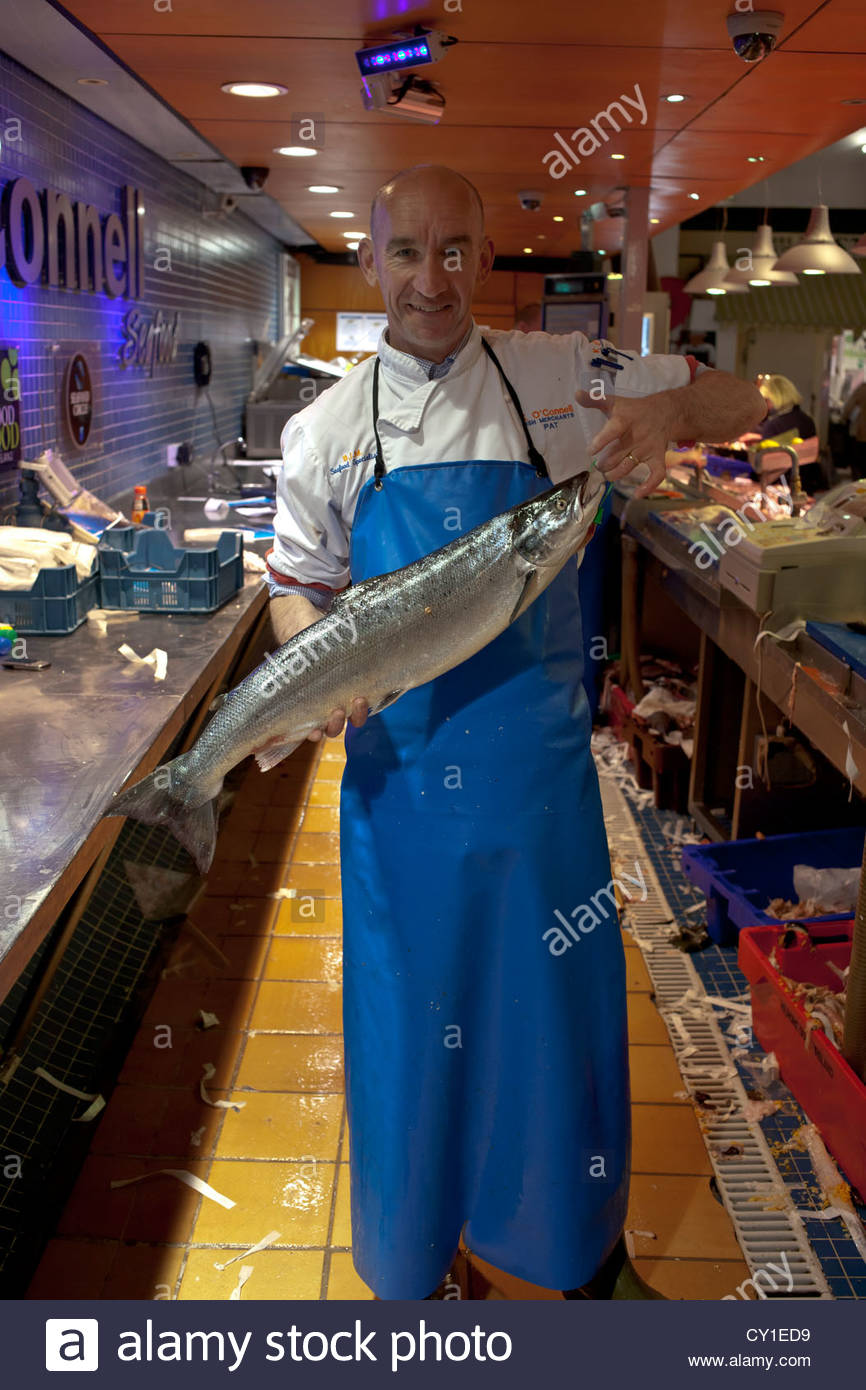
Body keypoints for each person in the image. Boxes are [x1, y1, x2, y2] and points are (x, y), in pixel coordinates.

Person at [265, 164, 765, 1301]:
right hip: (397, 805)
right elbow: (294, 588)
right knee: (411, 1029)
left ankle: (575, 1252)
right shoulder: (326, 429)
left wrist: (669, 412)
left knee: (553, 1025)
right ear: (372, 261)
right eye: (406, 252)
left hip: (539, 797)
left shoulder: (559, 378)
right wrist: (319, 660)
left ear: (483, 258)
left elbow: (750, 402)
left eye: (453, 251)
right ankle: (420, 1260)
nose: (430, 280)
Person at [841, 379, 866, 479]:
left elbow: (848, 407)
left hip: (863, 431)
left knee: (859, 458)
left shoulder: (862, 389)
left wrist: (844, 418)